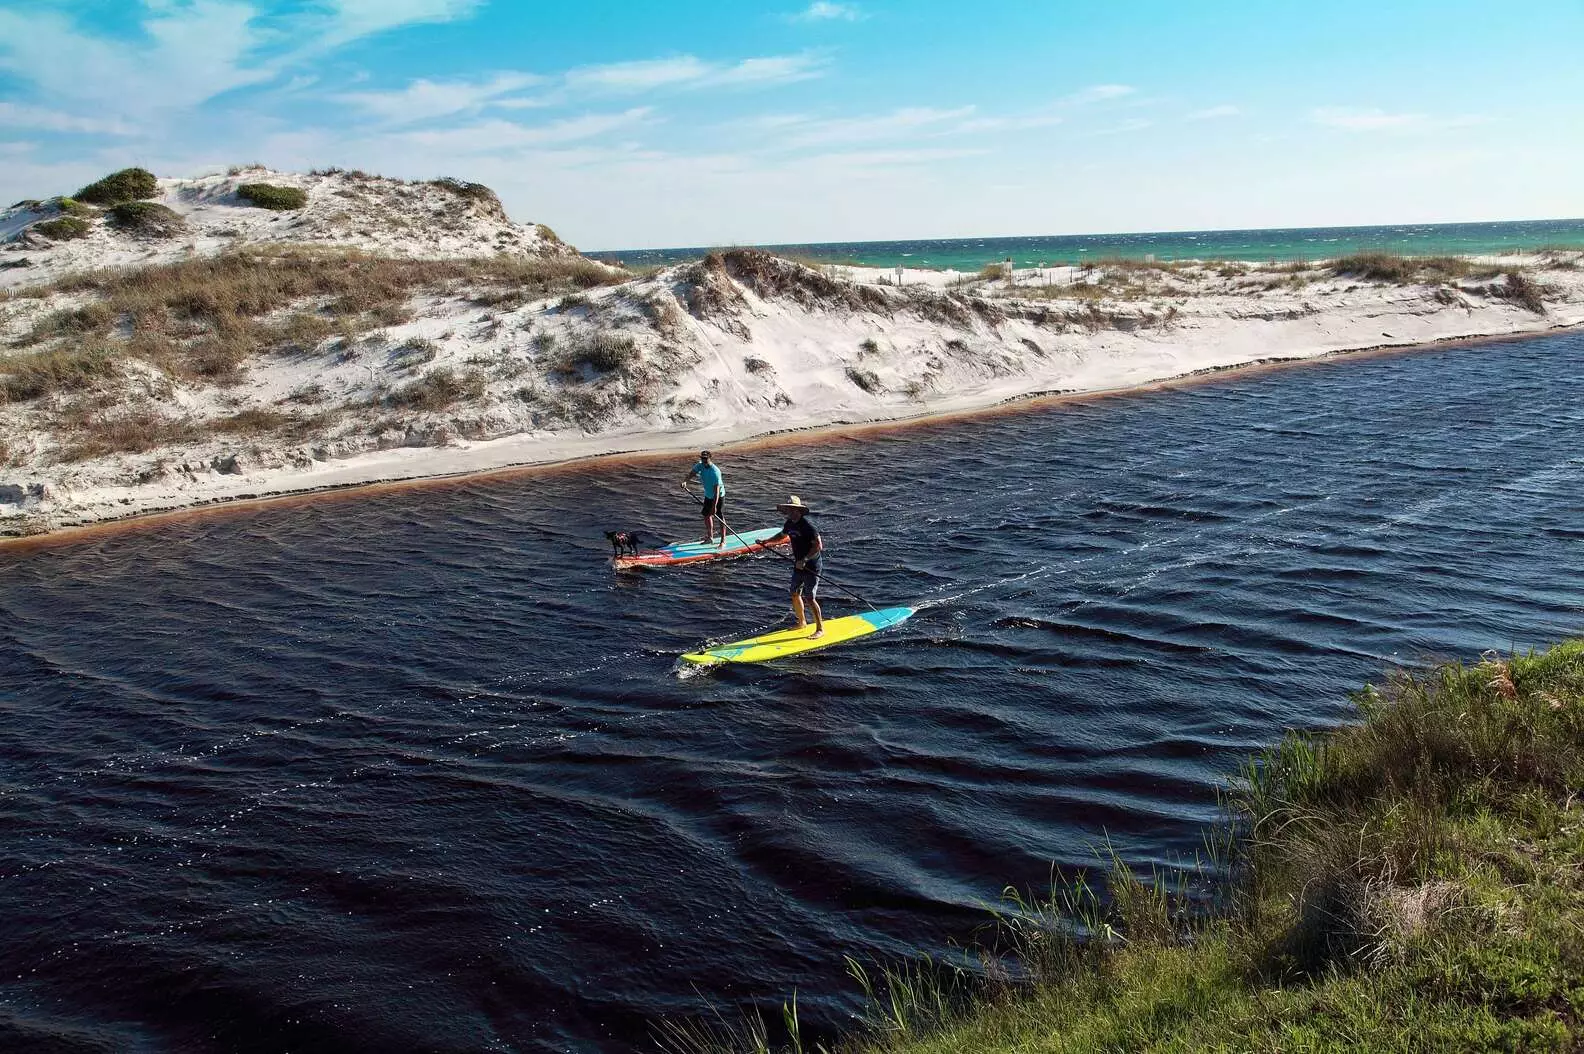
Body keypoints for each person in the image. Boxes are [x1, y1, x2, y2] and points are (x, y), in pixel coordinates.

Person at [764, 495, 824, 638]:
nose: (788, 511)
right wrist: (767, 541)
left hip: (811, 565)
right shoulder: (789, 523)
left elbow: (818, 546)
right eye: (787, 508)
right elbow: (782, 535)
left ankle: (820, 629)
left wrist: (805, 559)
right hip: (798, 565)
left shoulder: (808, 526)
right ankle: (802, 622)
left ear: (798, 510)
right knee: (794, 593)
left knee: (810, 598)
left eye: (791, 509)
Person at [684, 449, 726, 547]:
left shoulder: (715, 472)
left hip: (718, 496)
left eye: (705, 459)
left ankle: (723, 541)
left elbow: (716, 492)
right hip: (708, 495)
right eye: (702, 458)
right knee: (706, 515)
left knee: (719, 517)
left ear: (710, 458)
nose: (703, 460)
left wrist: (714, 507)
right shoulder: (700, 465)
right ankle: (710, 537)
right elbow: (692, 473)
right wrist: (685, 481)